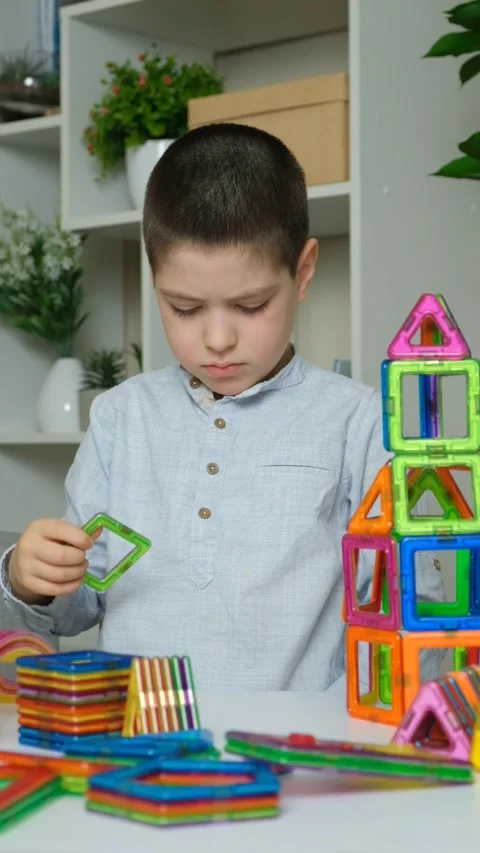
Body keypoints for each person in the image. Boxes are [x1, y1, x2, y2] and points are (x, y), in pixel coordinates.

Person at [0, 123, 444, 690]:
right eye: (184, 308)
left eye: (250, 305)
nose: (216, 340)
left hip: (295, 751)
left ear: (302, 273)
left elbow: (415, 606)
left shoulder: (360, 423)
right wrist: (32, 577)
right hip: (143, 745)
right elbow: (81, 602)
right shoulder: (121, 417)